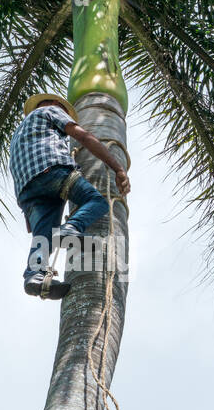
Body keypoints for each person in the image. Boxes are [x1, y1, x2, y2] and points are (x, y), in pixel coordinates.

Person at [9, 93, 131, 299]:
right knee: (96, 202)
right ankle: (71, 229)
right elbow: (83, 137)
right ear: (57, 105)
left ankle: (34, 277)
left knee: (43, 236)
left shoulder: (18, 135)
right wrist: (118, 168)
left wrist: (31, 218)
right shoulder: (51, 110)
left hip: (27, 191)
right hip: (52, 169)